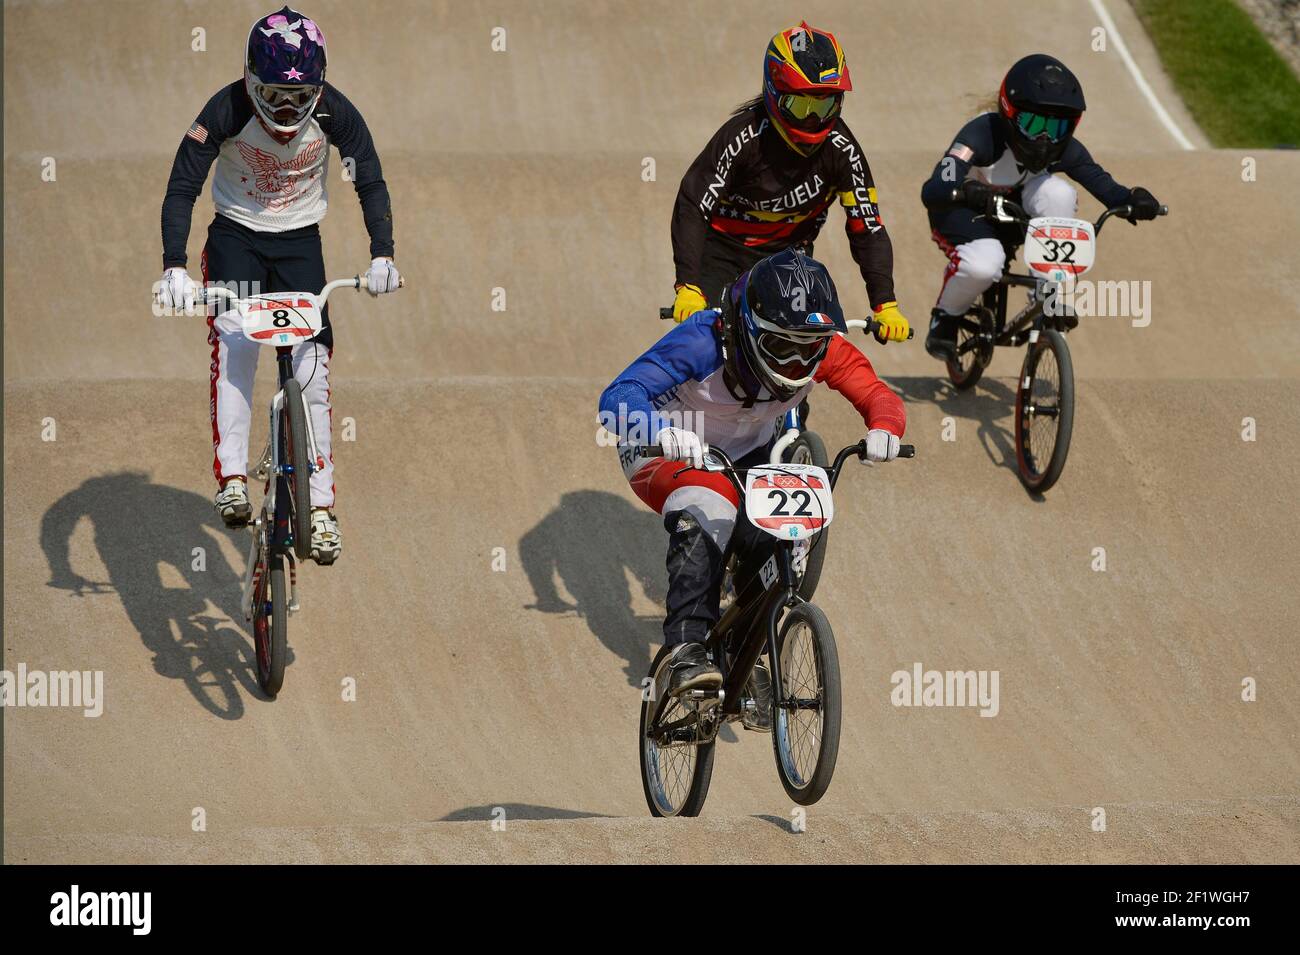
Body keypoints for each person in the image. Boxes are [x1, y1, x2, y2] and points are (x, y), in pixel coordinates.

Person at [598, 249, 906, 723]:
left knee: (781, 532)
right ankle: (684, 651)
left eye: (812, 346)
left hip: (746, 453)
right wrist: (660, 432)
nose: (800, 358)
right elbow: (617, 398)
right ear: (749, 328)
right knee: (709, 505)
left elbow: (876, 393)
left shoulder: (817, 347)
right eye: (783, 347)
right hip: (666, 448)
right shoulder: (704, 340)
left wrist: (885, 428)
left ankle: (745, 654)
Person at [155, 6, 402, 564]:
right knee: (238, 342)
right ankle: (234, 477)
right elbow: (181, 188)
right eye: (273, 96)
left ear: (318, 87)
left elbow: (371, 179)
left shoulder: (336, 112)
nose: (287, 110)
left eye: (299, 97)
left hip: (299, 244)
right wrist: (174, 265)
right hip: (236, 236)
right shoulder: (224, 109)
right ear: (249, 81)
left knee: (312, 368)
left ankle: (322, 510)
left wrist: (383, 255)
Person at [669, 21, 910, 354]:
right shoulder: (741, 138)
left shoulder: (844, 150)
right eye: (800, 106)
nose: (813, 120)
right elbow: (693, 205)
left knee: (801, 356)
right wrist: (688, 284)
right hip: (722, 253)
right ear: (774, 93)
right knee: (699, 350)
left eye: (824, 106)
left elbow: (867, 227)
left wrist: (885, 303)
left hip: (789, 260)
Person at [920, 53, 1162, 361]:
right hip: (964, 213)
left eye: (1057, 128)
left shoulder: (1065, 150)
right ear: (1009, 112)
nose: (1046, 138)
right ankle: (946, 317)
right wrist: (971, 192)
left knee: (1060, 193)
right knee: (984, 265)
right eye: (1034, 124)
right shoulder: (980, 134)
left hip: (1013, 213)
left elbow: (1103, 184)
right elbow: (937, 186)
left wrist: (1131, 199)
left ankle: (1048, 292)